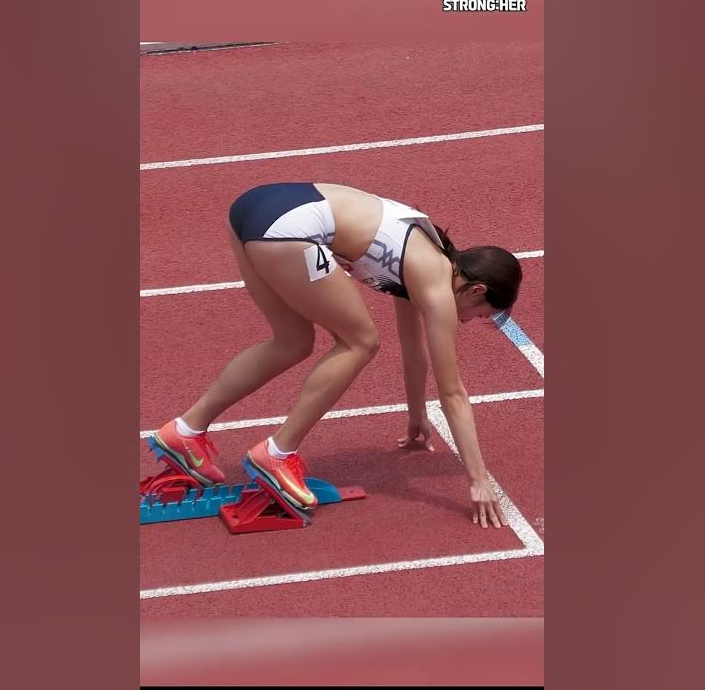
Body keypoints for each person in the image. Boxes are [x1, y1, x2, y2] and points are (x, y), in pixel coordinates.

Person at [147, 182, 522, 528]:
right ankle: (277, 453)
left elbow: (414, 354)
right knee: (360, 341)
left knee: (291, 341)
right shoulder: (438, 286)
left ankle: (185, 431)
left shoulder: (426, 262)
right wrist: (478, 481)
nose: (470, 321)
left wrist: (416, 415)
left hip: (252, 210)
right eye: (482, 314)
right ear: (476, 291)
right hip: (288, 228)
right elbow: (453, 393)